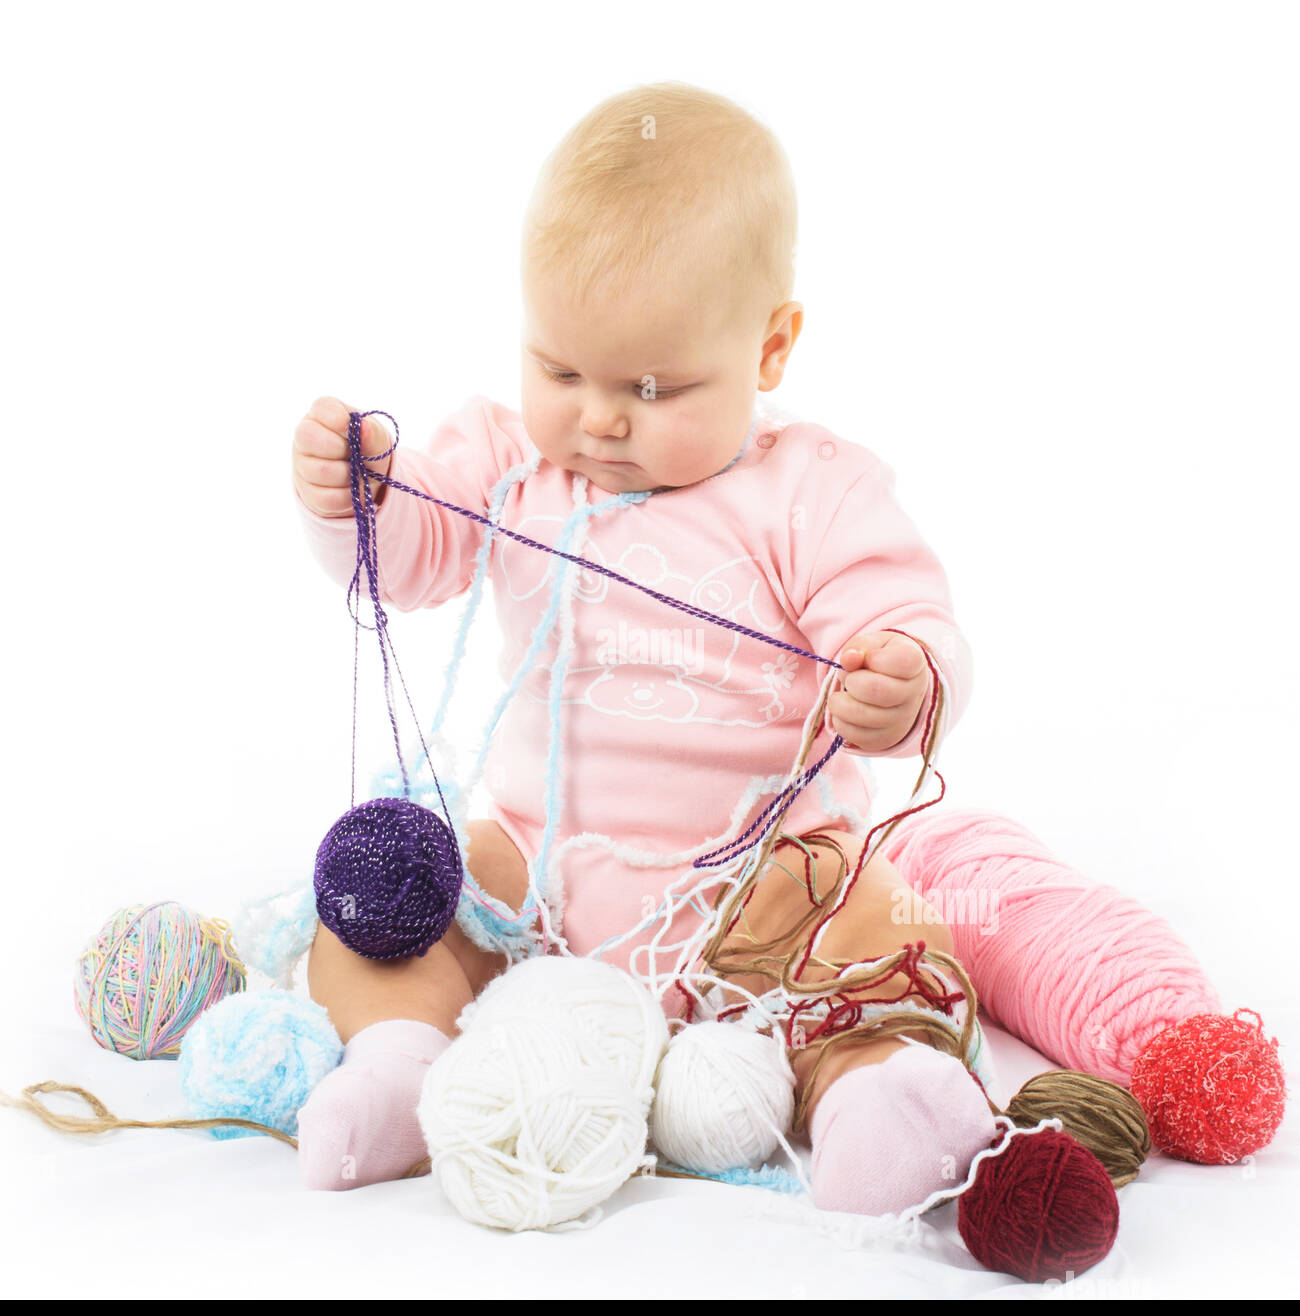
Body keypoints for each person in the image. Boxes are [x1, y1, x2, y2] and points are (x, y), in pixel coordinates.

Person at [288, 81, 1000, 1213]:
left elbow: (904, 614)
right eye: (561, 371)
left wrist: (904, 676)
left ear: (770, 347)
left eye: (651, 386)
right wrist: (356, 501)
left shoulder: (810, 489)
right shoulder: (513, 458)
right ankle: (399, 1069)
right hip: (544, 873)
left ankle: (874, 1091)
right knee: (388, 894)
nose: (598, 418)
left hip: (758, 880)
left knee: (877, 928)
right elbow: (415, 553)